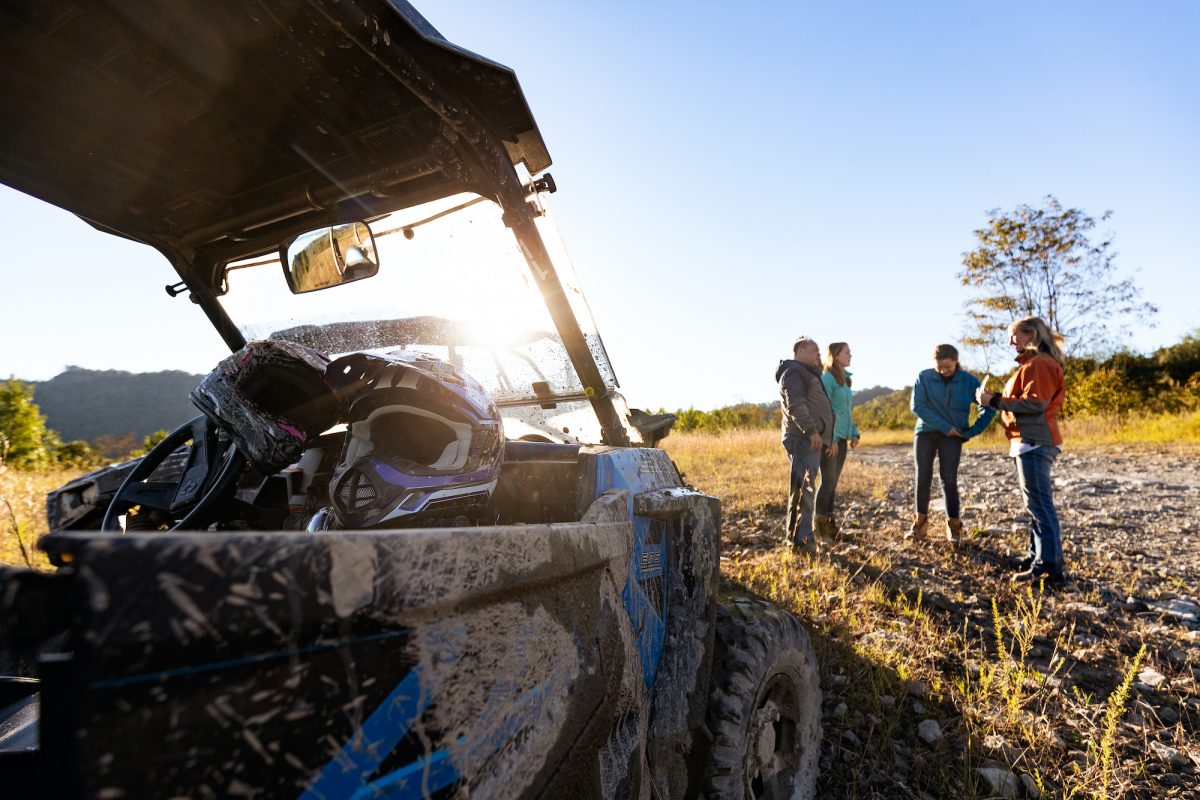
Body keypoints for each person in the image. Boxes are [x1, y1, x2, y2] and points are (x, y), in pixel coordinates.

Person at [977, 317, 1068, 589]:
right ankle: (1036, 558)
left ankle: (1048, 569)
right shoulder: (1034, 364)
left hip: (1036, 441)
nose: (1010, 342)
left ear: (1031, 335)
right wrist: (996, 399)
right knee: (1036, 505)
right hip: (1029, 440)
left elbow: (1035, 403)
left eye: (1014, 335)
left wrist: (994, 400)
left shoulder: (1039, 363)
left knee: (1040, 505)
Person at [908, 344, 996, 543]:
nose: (942, 371)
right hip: (925, 432)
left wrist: (970, 432)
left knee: (949, 478)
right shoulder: (924, 377)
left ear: (956, 361)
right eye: (939, 367)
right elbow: (917, 406)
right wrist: (945, 426)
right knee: (923, 476)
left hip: (953, 436)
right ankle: (920, 523)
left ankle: (954, 527)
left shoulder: (969, 381)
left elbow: (989, 408)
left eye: (947, 367)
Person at [776, 336, 834, 554]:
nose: (818, 354)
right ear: (800, 350)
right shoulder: (794, 372)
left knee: (807, 488)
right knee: (803, 489)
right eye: (814, 350)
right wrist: (811, 431)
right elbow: (795, 404)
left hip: (810, 439)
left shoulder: (807, 373)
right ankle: (800, 541)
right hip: (802, 438)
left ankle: (803, 538)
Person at [816, 342, 860, 538]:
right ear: (835, 355)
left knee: (833, 483)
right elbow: (824, 409)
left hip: (842, 438)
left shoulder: (845, 379)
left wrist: (854, 433)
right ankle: (819, 527)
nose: (850, 355)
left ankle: (829, 524)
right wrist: (831, 439)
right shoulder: (827, 378)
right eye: (847, 352)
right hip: (831, 439)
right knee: (827, 482)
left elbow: (845, 411)